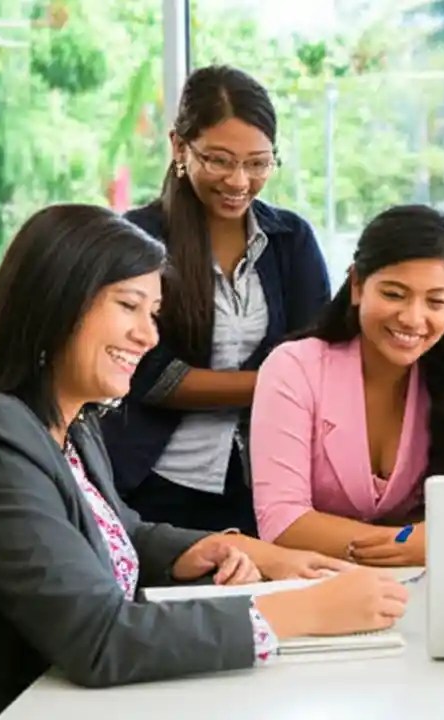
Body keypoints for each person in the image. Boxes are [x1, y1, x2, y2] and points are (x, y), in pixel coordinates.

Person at [0, 205, 408, 720]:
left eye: (153, 313)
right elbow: (101, 638)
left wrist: (230, 548)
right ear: (58, 300)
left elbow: (117, 533)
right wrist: (307, 613)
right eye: (128, 306)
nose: (149, 336)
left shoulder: (69, 422)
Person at [101, 65, 331, 535]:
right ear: (179, 148)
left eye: (258, 163)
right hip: (155, 482)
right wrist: (277, 386)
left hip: (269, 482)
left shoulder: (291, 240)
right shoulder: (137, 239)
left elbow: (318, 357)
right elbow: (149, 375)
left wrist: (291, 382)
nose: (239, 181)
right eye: (220, 160)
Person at [250, 205, 444, 566]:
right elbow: (283, 520)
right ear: (357, 286)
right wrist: (410, 543)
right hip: (318, 583)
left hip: (428, 582)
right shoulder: (293, 367)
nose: (413, 318)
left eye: (436, 301)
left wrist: (430, 543)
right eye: (395, 294)